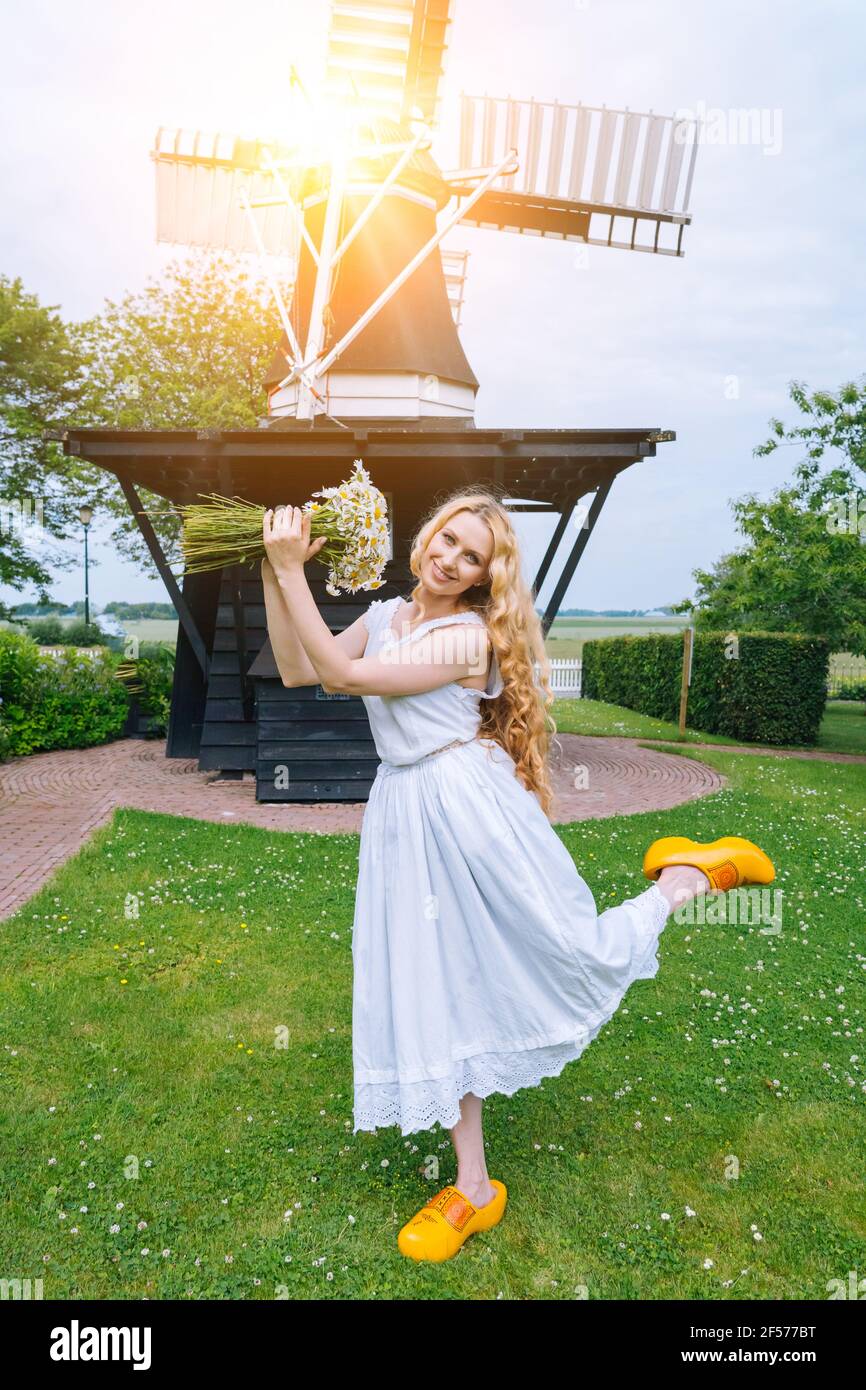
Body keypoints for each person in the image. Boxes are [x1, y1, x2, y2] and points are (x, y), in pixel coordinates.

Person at [261, 489, 776, 1265]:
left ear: (480, 579)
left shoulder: (465, 638)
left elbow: (340, 676)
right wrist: (276, 574)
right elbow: (299, 668)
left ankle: (686, 880)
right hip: (405, 809)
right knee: (438, 985)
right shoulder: (389, 616)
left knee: (570, 949)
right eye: (447, 540)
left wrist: (288, 567)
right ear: (428, 534)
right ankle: (473, 1186)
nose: (450, 558)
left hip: (468, 810)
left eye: (471, 556)